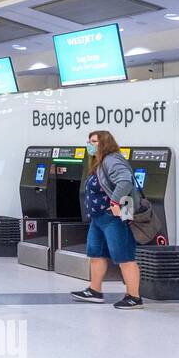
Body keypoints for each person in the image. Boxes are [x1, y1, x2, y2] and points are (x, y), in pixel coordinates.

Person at [71, 130, 144, 309]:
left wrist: (114, 201)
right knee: (96, 254)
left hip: (115, 216)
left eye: (94, 141)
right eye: (89, 141)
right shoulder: (98, 161)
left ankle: (134, 297)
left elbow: (125, 181)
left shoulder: (112, 159)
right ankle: (95, 291)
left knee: (124, 256)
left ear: (104, 143)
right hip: (98, 218)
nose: (89, 144)